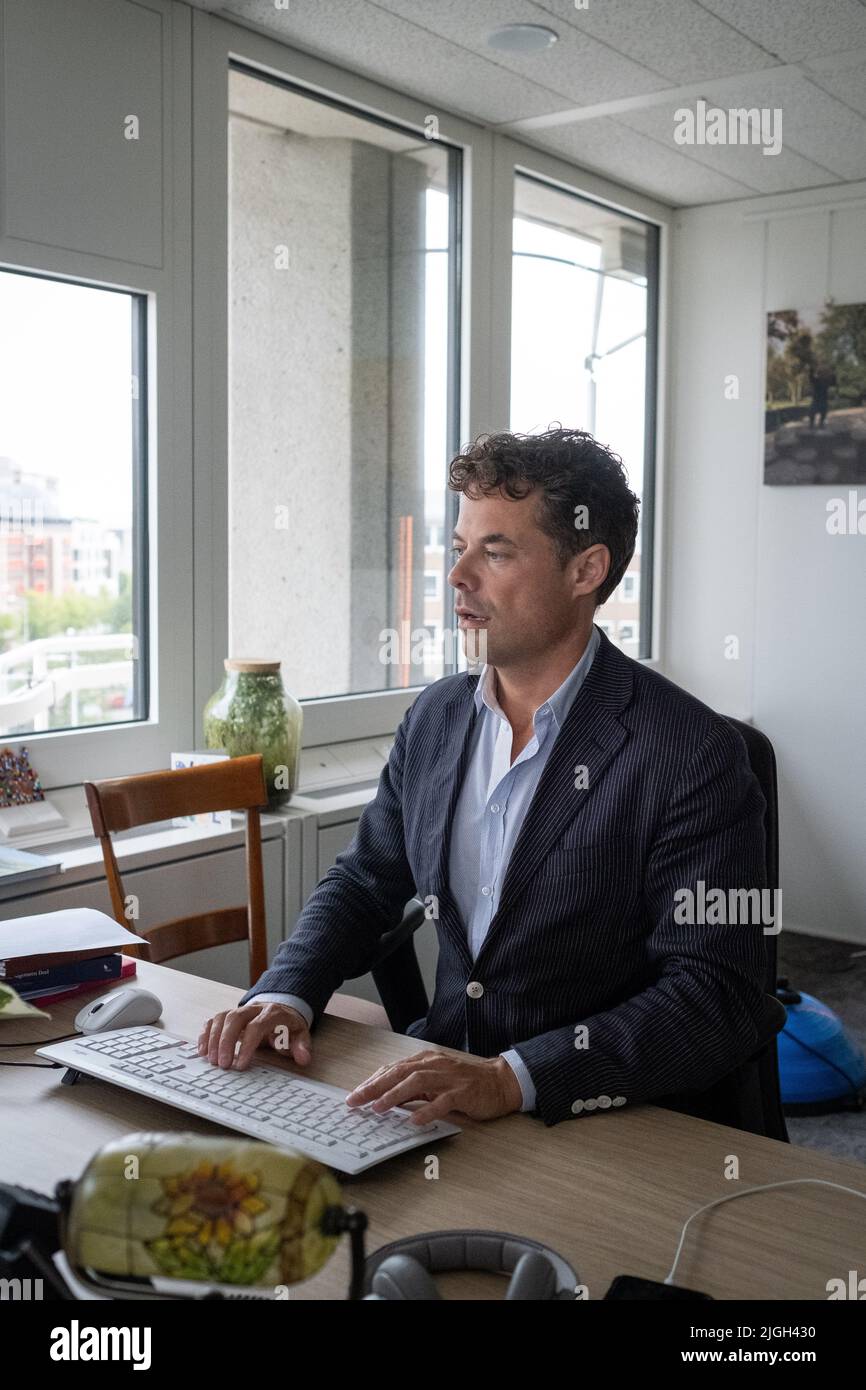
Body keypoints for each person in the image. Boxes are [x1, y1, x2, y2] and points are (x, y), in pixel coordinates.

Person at [199, 427, 768, 1128]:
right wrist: (284, 995)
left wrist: (512, 1078)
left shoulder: (691, 753)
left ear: (586, 570)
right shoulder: (438, 717)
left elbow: (719, 993)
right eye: (460, 547)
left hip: (609, 1123)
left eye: (494, 552)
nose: (458, 576)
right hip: (443, 1106)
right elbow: (363, 883)